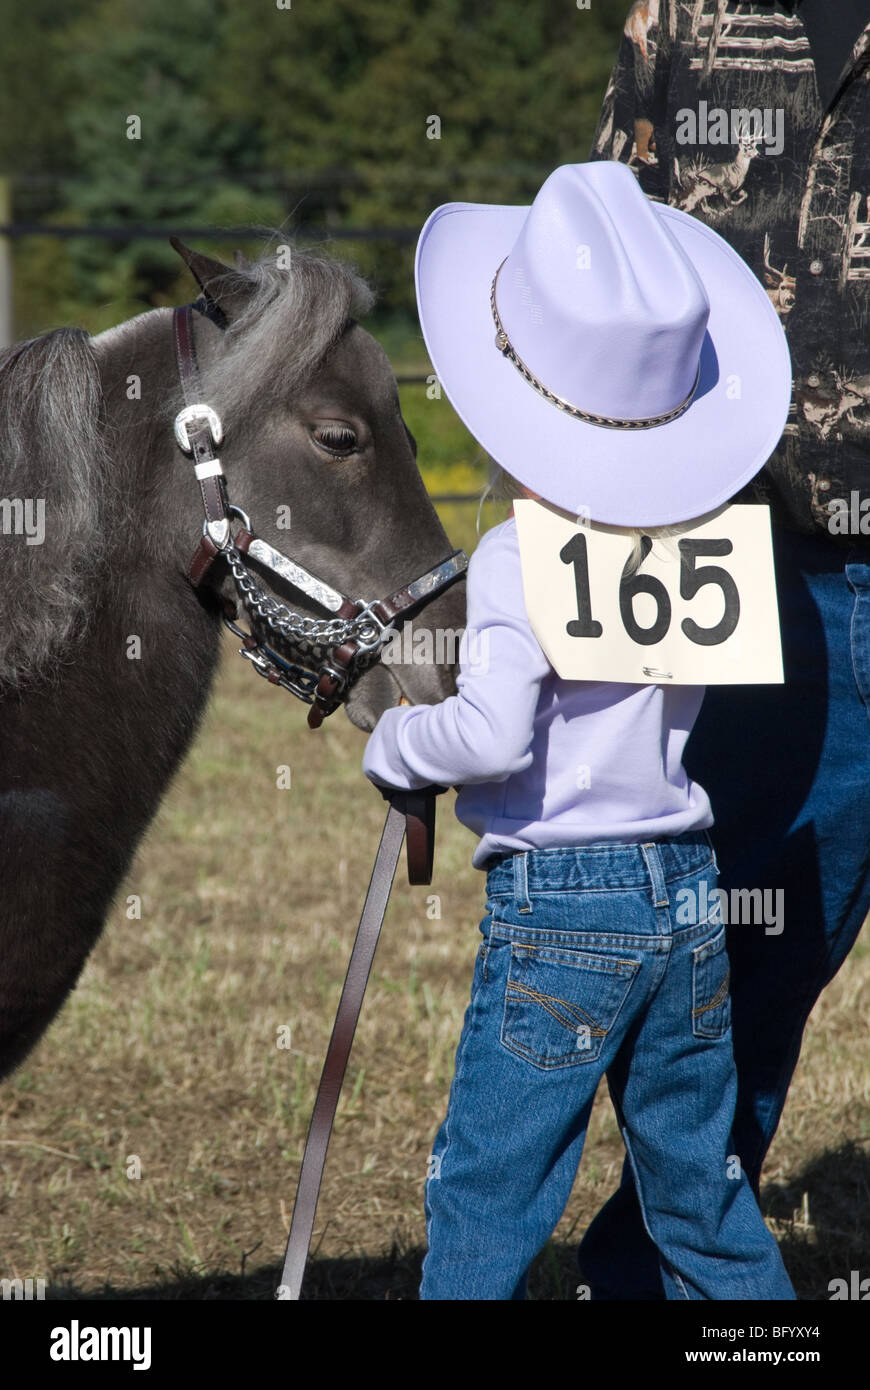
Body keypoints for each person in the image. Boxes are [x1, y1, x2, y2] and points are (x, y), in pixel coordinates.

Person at [362, 159, 795, 1299]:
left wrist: (396, 745)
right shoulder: (700, 538)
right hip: (690, 884)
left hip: (564, 900)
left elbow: (495, 734)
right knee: (701, 1196)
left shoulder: (516, 552)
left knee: (487, 1198)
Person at [580, 0, 870, 1299]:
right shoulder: (688, 12)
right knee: (746, 947)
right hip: (741, 546)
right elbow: (601, 239)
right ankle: (654, 1265)